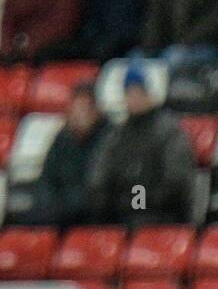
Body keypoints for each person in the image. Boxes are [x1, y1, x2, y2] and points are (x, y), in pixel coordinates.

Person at [89, 65, 196, 225]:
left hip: (161, 218)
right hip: (120, 217)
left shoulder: (169, 131)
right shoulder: (117, 136)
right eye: (129, 93)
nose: (134, 98)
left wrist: (137, 200)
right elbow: (101, 176)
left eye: (139, 92)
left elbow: (176, 182)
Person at [18, 83, 108, 227]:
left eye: (83, 109)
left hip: (93, 213)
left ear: (95, 111)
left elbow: (101, 185)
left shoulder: (108, 138)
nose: (78, 115)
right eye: (75, 108)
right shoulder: (63, 138)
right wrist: (49, 204)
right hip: (61, 209)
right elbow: (47, 178)